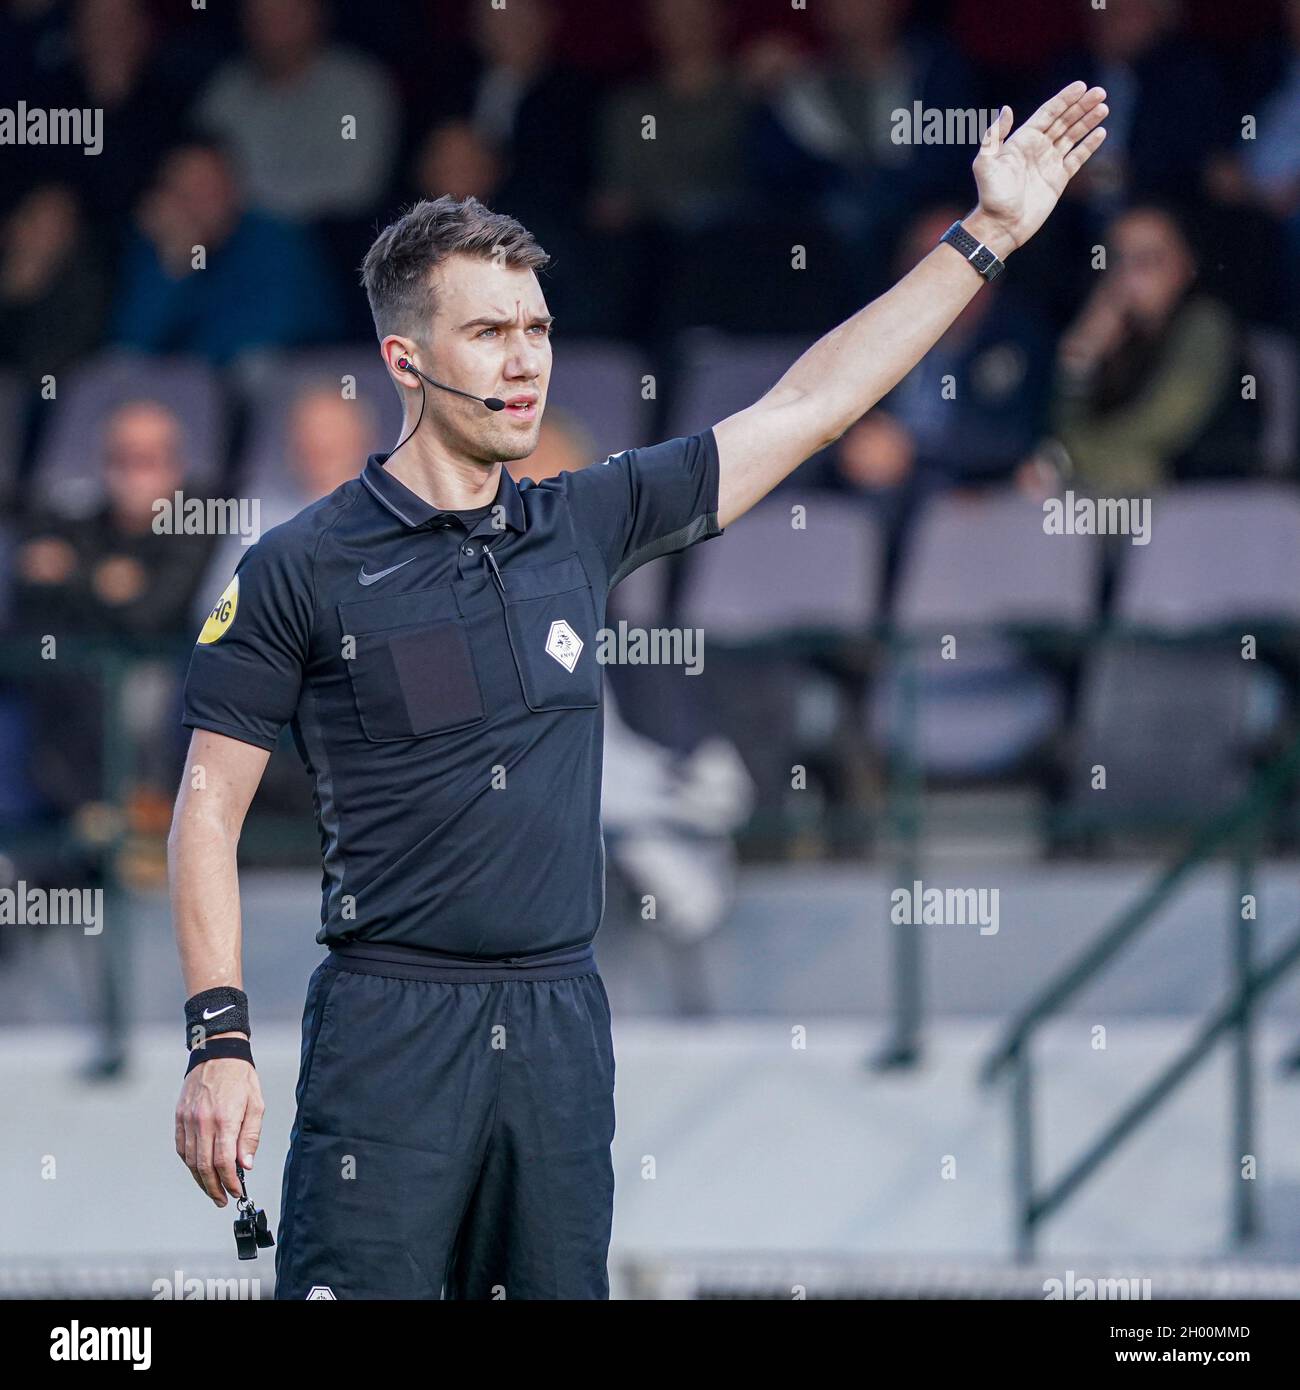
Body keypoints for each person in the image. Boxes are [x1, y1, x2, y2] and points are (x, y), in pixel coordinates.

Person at [169, 83, 1108, 1299]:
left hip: (563, 1023)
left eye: (538, 330)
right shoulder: (299, 563)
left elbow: (811, 405)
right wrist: (221, 1042)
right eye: (489, 334)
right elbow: (206, 811)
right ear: (405, 358)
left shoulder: (585, 518)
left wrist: (983, 240)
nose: (525, 363)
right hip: (388, 1029)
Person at [111, 139, 340, 366]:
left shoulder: (276, 239)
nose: (196, 204)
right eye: (183, 192)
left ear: (233, 189)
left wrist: (190, 359)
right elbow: (131, 345)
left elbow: (272, 335)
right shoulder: (157, 246)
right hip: (182, 385)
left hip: (285, 378)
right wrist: (175, 266)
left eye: (206, 188)